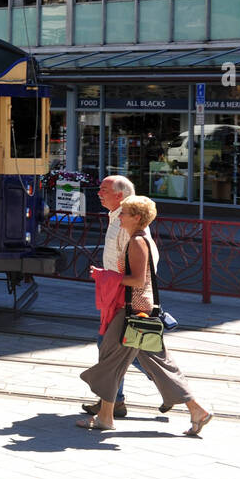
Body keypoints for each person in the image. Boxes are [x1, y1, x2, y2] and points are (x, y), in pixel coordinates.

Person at [78, 196, 213, 435]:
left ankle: (106, 417)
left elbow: (138, 280)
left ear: (137, 218)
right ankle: (196, 409)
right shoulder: (139, 239)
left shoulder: (137, 242)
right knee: (157, 363)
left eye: (125, 213)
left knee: (111, 359)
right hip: (141, 310)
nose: (120, 217)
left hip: (132, 310)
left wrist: (103, 276)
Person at [83, 175, 162, 419]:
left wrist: (111, 279)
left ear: (119, 195)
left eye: (103, 190)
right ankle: (114, 402)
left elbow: (143, 264)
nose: (98, 193)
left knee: (121, 347)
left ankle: (175, 390)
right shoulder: (117, 217)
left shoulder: (127, 224)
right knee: (128, 347)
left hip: (125, 296)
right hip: (118, 293)